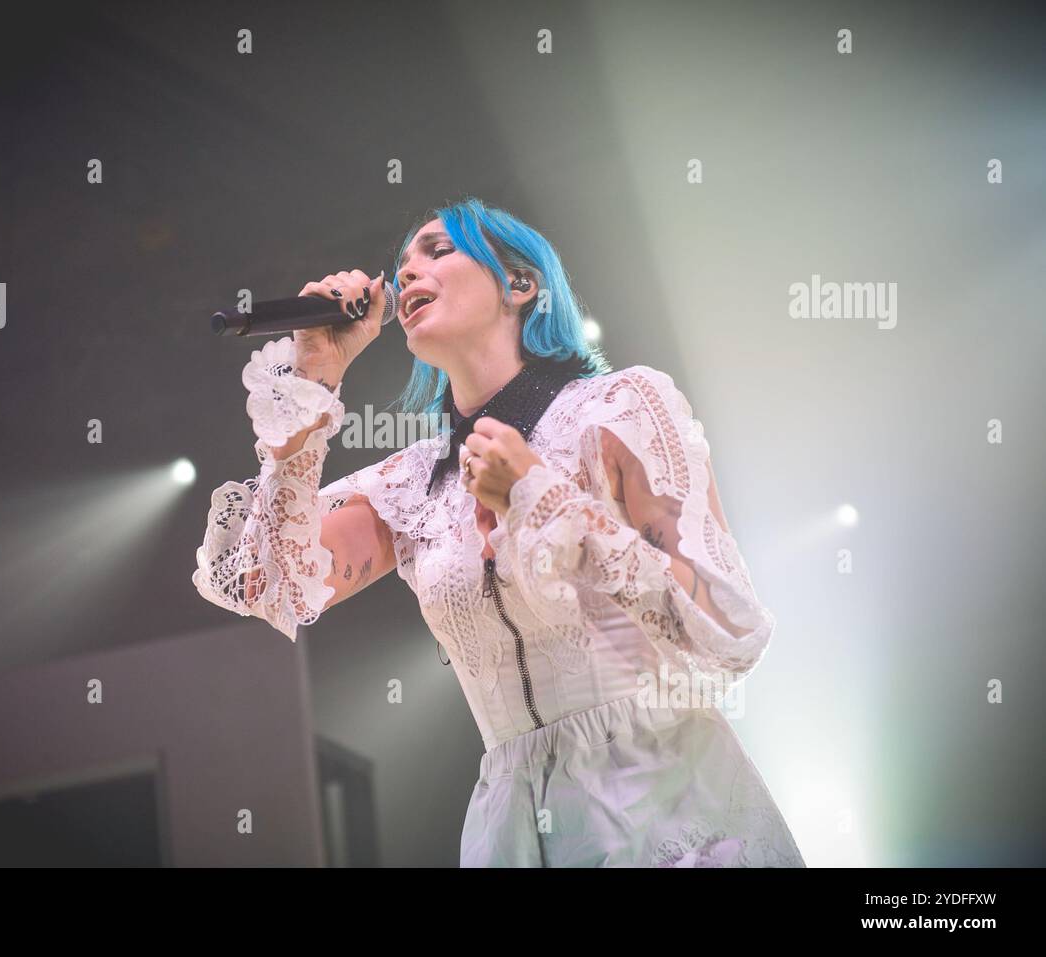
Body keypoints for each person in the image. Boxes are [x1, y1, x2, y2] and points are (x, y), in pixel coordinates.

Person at [193, 197, 805, 867]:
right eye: (402, 263)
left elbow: (728, 632)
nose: (408, 273)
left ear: (520, 284)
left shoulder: (619, 408)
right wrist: (313, 382)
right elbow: (270, 584)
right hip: (514, 827)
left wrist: (543, 500)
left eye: (437, 249)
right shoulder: (412, 481)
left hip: (665, 804)